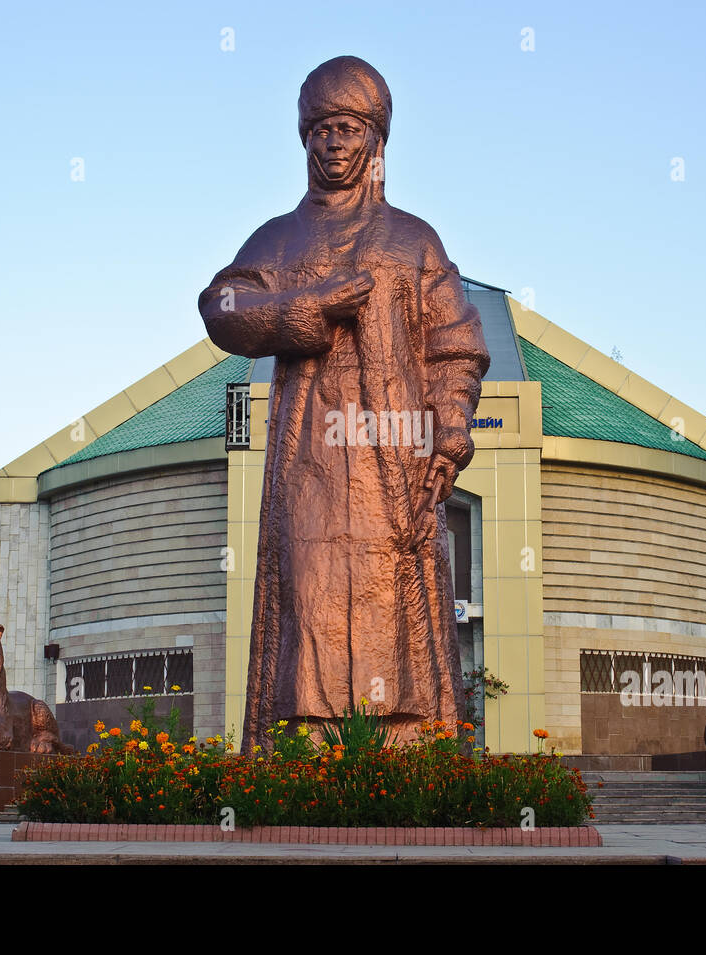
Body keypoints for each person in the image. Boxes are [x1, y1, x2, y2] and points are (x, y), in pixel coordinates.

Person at [198, 55, 489, 751]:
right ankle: (310, 735)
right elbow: (221, 306)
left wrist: (449, 433)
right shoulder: (280, 238)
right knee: (312, 578)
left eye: (348, 128)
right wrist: (304, 306)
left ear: (375, 139)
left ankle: (403, 738)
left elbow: (457, 345)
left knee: (396, 581)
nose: (333, 142)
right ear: (305, 139)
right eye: (322, 128)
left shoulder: (412, 240)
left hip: (397, 449)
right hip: (310, 454)